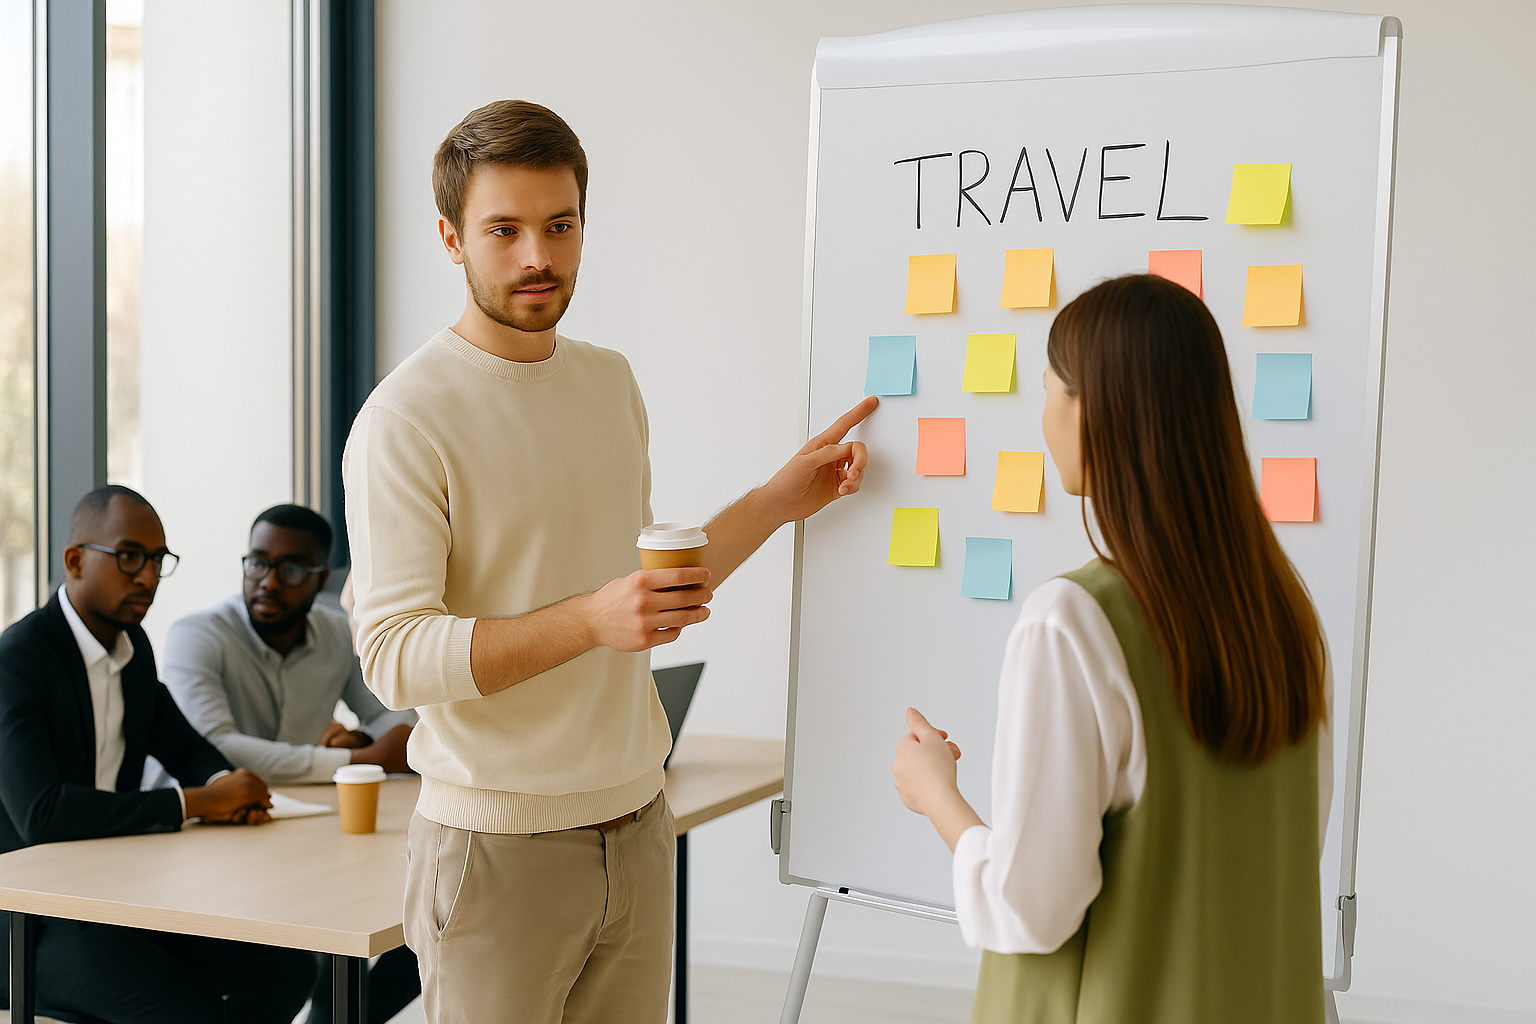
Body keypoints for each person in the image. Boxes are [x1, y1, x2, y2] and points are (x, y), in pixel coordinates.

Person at [343, 99, 875, 1023]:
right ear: (450, 237)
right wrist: (589, 621)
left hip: (638, 831)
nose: (536, 257)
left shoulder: (608, 380)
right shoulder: (405, 418)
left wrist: (779, 500)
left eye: (559, 225)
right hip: (495, 850)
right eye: (502, 230)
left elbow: (647, 588)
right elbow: (393, 656)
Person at [892, 274, 1334, 1024]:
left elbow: (1032, 910)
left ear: (1090, 408)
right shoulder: (1288, 617)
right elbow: (1288, 853)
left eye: (1047, 388)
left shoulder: (1071, 622)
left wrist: (939, 798)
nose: (1041, 415)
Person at [0, 485, 317, 1024]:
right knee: (188, 1009)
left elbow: (182, 743)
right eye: (128, 557)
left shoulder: (132, 647)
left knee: (285, 973)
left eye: (156, 560)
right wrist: (195, 803)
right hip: (34, 916)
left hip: (119, 893)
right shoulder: (19, 661)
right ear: (74, 561)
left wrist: (228, 782)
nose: (146, 576)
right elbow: (42, 815)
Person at [161, 502, 420, 1023]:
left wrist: (364, 735)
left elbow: (404, 714)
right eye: (257, 563)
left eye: (292, 569)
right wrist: (357, 756)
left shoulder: (332, 633)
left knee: (422, 920)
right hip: (203, 841)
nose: (270, 581)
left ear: (322, 577)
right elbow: (217, 747)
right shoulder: (198, 634)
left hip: (304, 833)